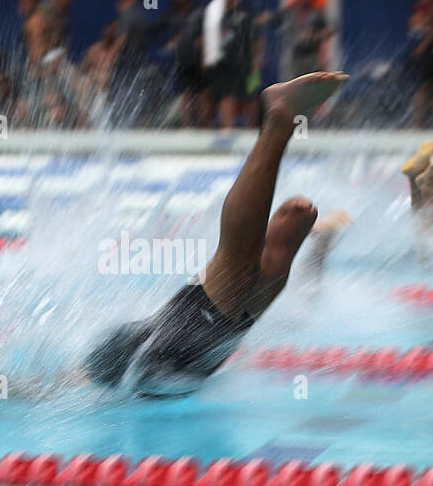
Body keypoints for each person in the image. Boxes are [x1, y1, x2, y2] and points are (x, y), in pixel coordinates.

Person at [85, 71, 347, 396]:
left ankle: (279, 120)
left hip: (159, 352)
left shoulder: (128, 375)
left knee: (238, 265)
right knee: (280, 242)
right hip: (173, 353)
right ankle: (293, 225)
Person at [202, 0, 256, 130]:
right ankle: (228, 129)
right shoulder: (214, 15)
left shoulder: (245, 13)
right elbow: (208, 38)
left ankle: (252, 129)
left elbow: (258, 39)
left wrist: (257, 62)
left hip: (247, 63)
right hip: (222, 64)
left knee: (251, 96)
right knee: (226, 96)